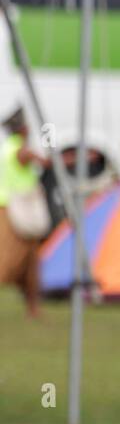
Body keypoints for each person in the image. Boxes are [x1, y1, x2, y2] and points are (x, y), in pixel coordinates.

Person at [0, 106, 49, 318]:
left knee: (30, 262)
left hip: (20, 213)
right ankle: (33, 308)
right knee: (7, 262)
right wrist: (74, 158)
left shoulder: (8, 148)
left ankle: (33, 309)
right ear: (21, 129)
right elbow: (46, 162)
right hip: (11, 213)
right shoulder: (19, 150)